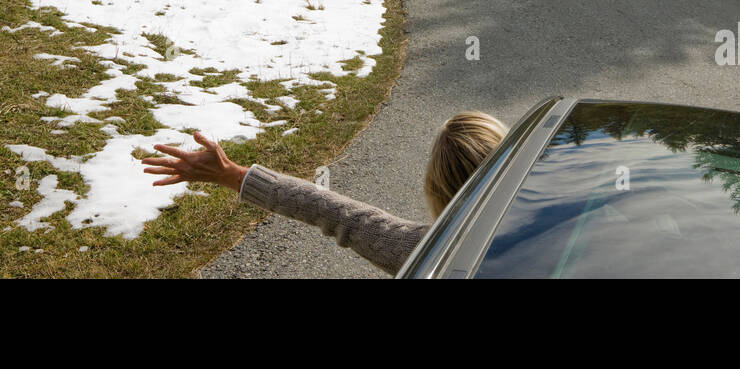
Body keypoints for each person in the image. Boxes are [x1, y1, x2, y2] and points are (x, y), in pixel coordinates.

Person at [141, 111, 507, 275]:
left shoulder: (431, 255)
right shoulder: (560, 216)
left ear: (438, 192)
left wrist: (233, 175)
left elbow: (334, 212)